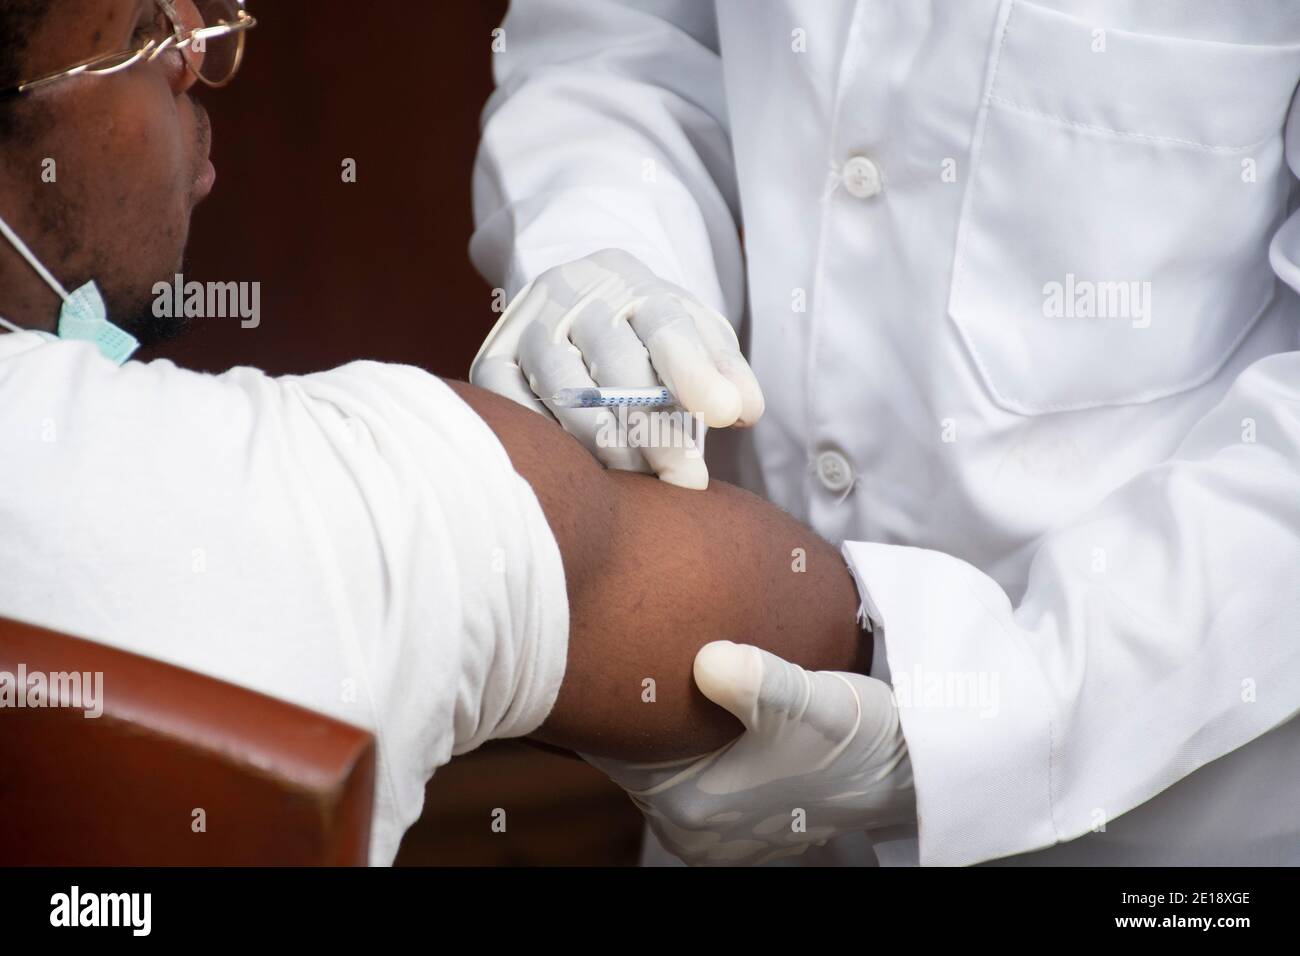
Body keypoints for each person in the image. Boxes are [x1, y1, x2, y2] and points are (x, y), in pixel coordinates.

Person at [0, 0, 915, 865]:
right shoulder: (332, 496)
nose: (199, 48)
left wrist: (615, 263)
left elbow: (624, 45)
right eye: (138, 30)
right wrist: (975, 716)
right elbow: (812, 636)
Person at [471, 0, 1300, 865]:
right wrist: (610, 256)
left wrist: (1000, 723)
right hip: (722, 768)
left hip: (1172, 821)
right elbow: (618, 43)